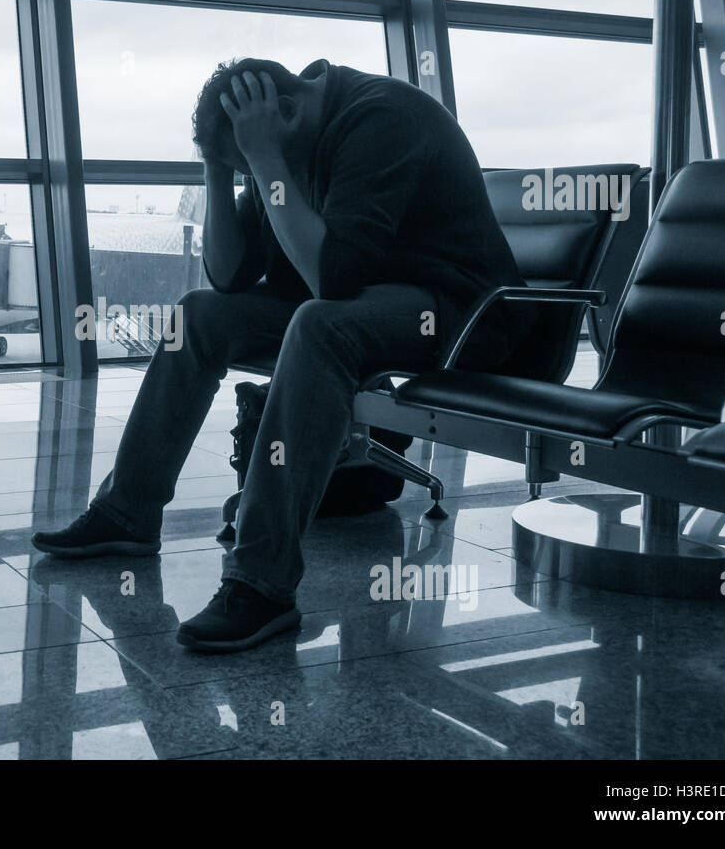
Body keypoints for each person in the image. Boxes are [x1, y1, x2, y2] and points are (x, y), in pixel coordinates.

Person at [32, 57, 525, 652]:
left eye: (252, 165)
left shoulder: (382, 118)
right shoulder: (285, 133)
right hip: (367, 305)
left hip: (459, 314)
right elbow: (229, 274)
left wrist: (263, 159)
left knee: (320, 324)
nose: (256, 180)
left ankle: (260, 582)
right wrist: (220, 168)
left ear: (286, 111)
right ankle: (127, 514)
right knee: (198, 314)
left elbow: (331, 280)